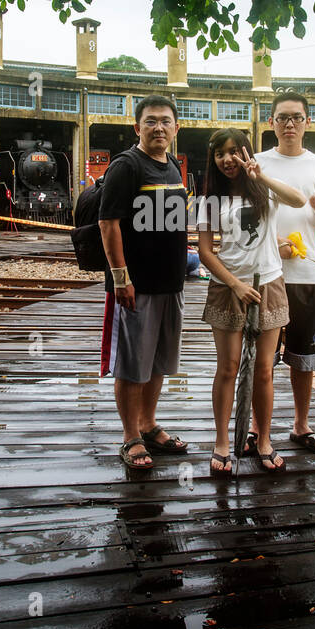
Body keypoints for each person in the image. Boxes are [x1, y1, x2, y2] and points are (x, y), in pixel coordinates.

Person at [196, 129, 307, 475]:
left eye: (233, 152)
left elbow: (299, 201)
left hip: (270, 283)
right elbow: (204, 251)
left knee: (263, 371)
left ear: (246, 153)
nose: (227, 160)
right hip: (228, 288)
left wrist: (263, 177)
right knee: (228, 368)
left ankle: (264, 440)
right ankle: (222, 442)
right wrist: (235, 284)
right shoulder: (210, 200)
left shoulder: (264, 191)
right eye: (219, 154)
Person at [98, 95, 191, 470]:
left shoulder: (171, 165)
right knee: (133, 363)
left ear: (176, 129)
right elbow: (108, 223)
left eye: (165, 122)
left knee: (157, 361)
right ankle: (130, 436)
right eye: (150, 122)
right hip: (135, 285)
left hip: (171, 282)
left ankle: (149, 424)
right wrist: (121, 278)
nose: (158, 128)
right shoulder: (126, 166)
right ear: (137, 128)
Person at [252, 92, 315, 455]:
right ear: (271, 122)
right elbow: (247, 219)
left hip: (307, 276)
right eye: (282, 117)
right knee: (263, 360)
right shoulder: (257, 163)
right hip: (265, 273)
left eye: (297, 117)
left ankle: (301, 424)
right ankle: (260, 431)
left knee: (303, 358)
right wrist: (272, 242)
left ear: (308, 122)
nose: (289, 124)